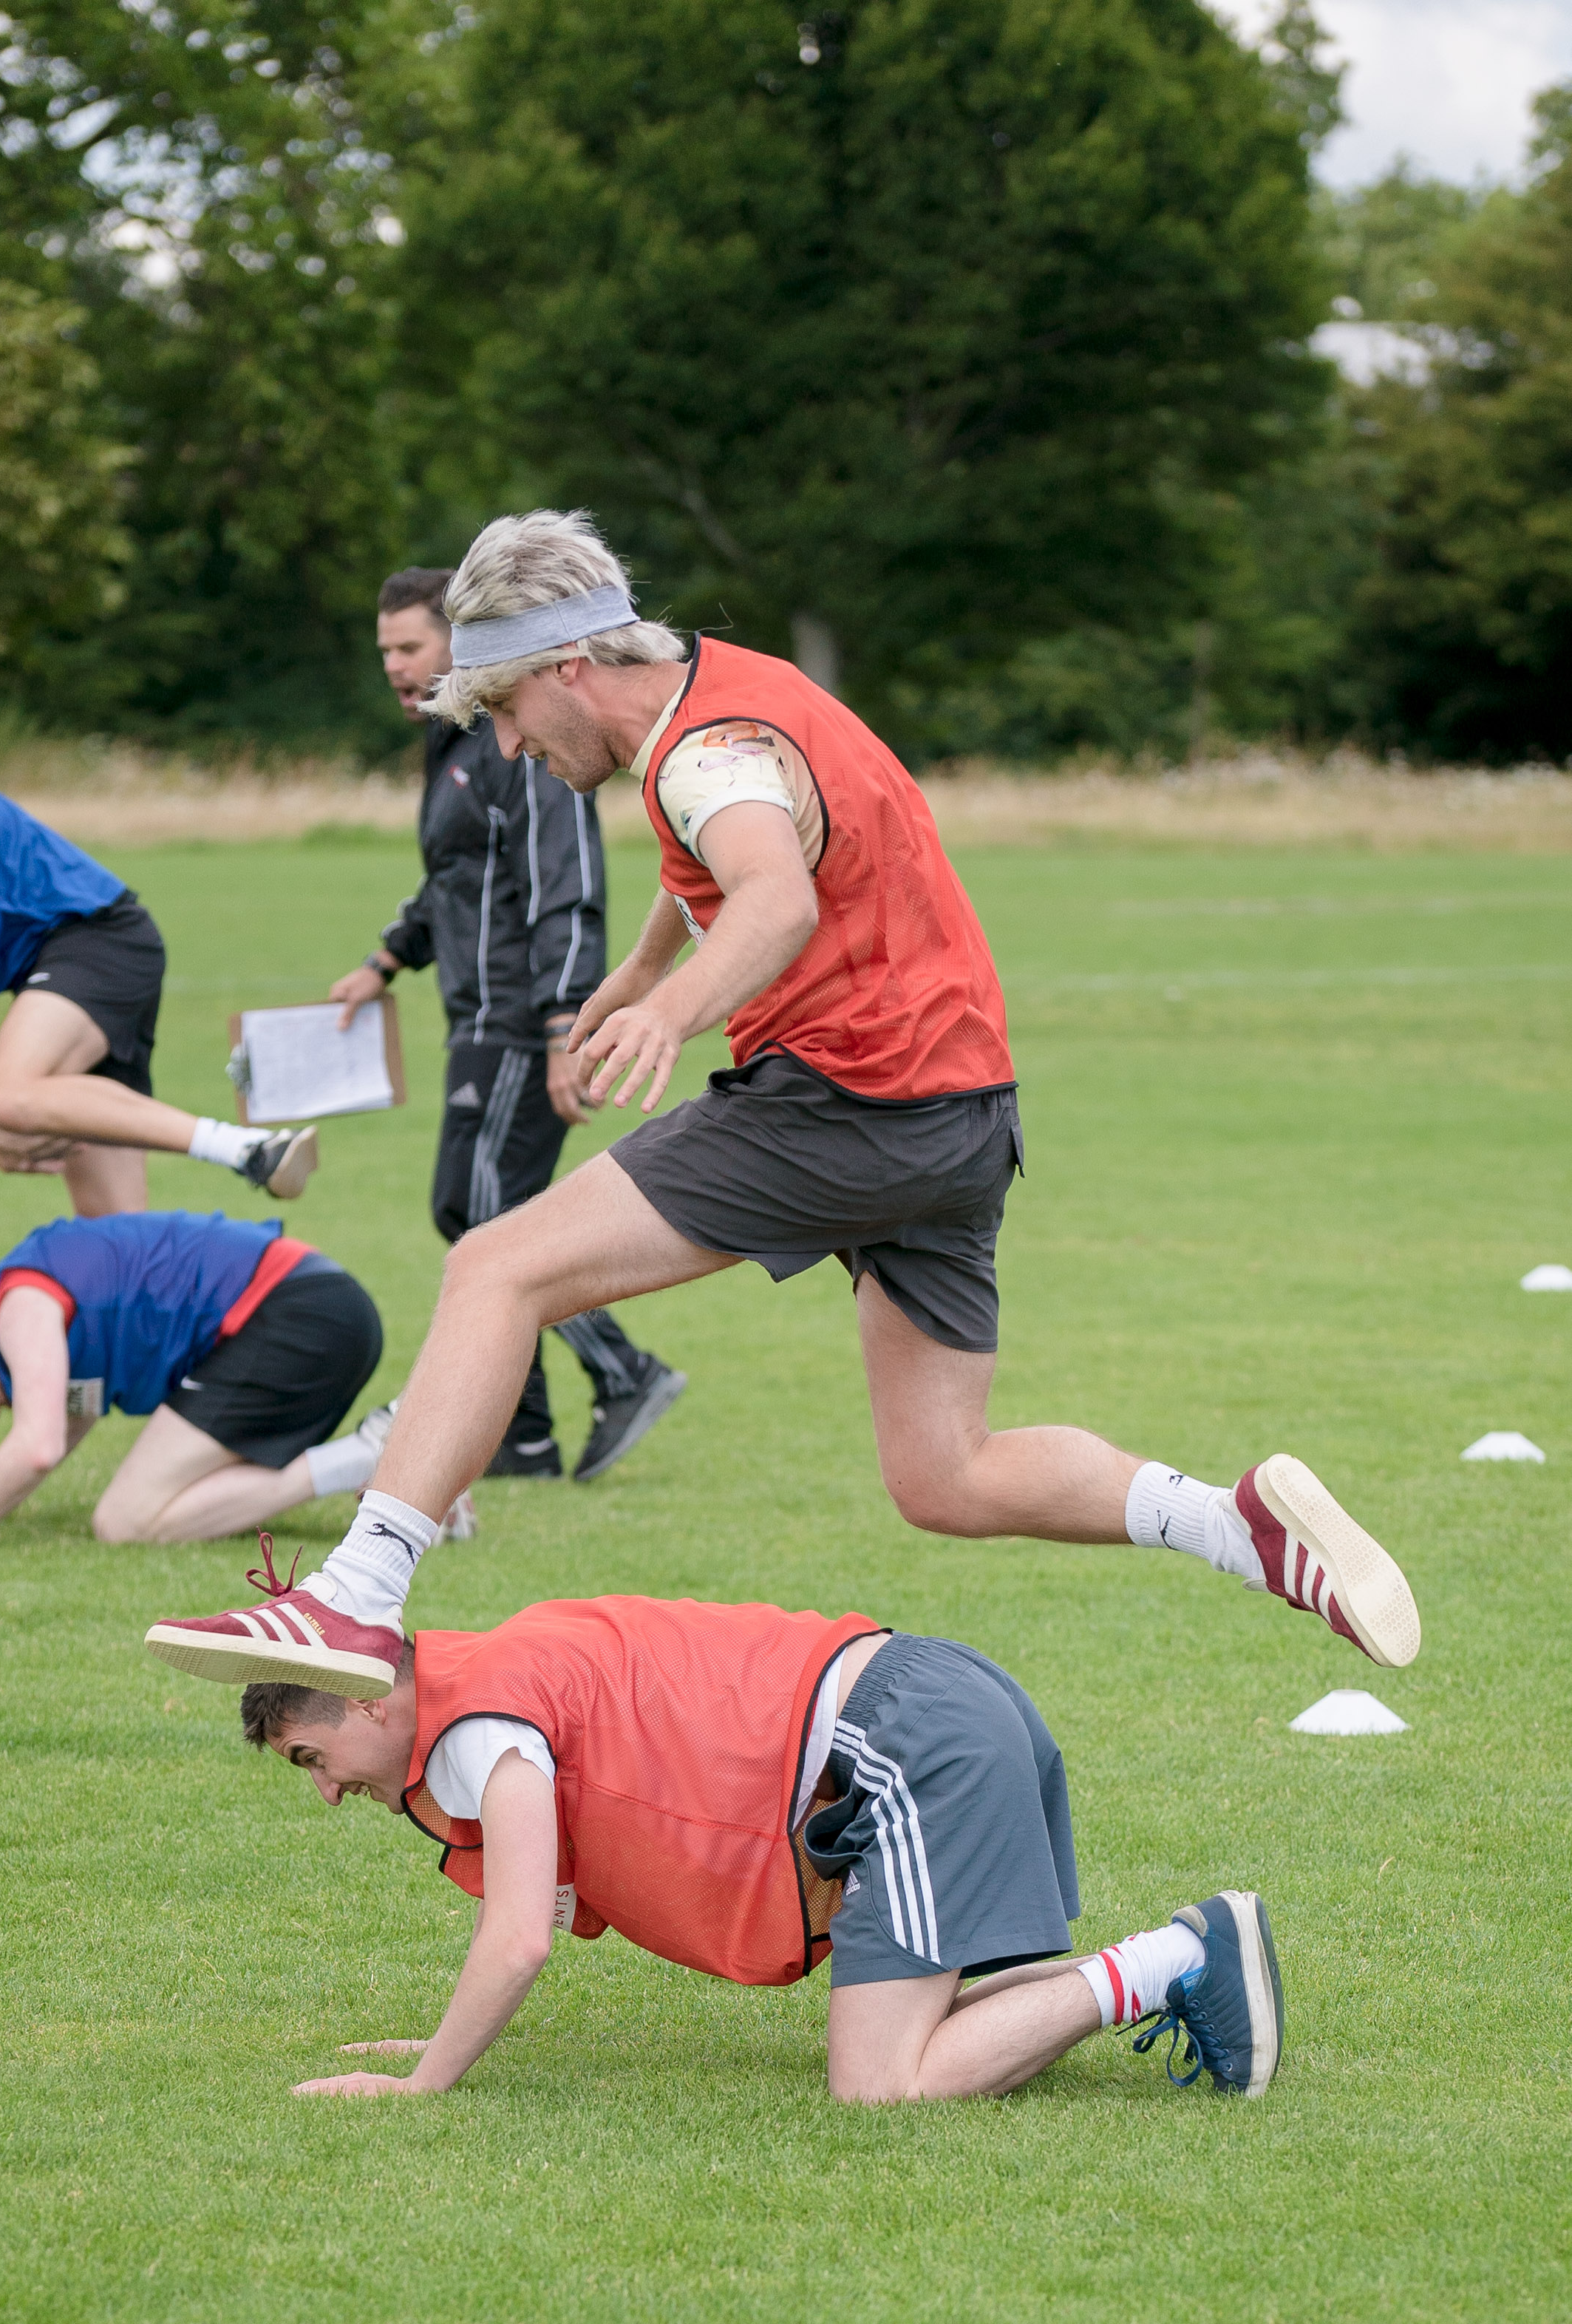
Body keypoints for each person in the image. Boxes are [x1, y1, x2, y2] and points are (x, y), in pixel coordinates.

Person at [143, 509, 1421, 1700]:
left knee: (494, 1266)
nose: (512, 748)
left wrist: (667, 1011)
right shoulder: (719, 692)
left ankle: (357, 1598)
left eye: (508, 710)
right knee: (943, 1472)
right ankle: (1232, 1522)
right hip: (959, 1112)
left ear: (571, 663)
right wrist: (639, 965)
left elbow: (769, 893)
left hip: (845, 1098)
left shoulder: (706, 756)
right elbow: (729, 848)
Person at [229, 1591, 1285, 2105]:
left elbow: (518, 1939)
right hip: (922, 1703)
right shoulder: (497, 1662)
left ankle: (1180, 1958)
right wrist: (449, 2045)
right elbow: (542, 1897)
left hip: (903, 1745)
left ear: (368, 1705)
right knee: (916, 2025)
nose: (327, 1791)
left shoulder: (476, 1728)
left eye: (312, 1757)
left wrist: (422, 2093)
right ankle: (1176, 1962)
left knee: (879, 2086)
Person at [325, 568, 684, 1484]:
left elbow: (567, 885)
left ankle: (623, 1370)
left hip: (522, 1019)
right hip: (474, 1019)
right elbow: (453, 877)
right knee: (482, 1210)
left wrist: (568, 1019)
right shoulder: (450, 749)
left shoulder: (523, 747)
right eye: (385, 654)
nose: (396, 668)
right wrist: (384, 961)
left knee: (483, 1213)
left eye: (409, 647)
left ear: (461, 642)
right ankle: (522, 1441)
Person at [0, 766, 316, 1216]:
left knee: (4, 1094)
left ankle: (248, 1149)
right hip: (55, 963)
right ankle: (245, 1156)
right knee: (114, 1232)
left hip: (97, 939)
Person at [0, 1209, 460, 1549]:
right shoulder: (18, 1292)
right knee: (159, 1502)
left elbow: (38, 1444)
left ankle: (369, 1457)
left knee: (125, 1521)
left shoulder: (20, 1307)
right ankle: (424, 1496)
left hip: (295, 1318)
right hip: (315, 1311)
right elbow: (71, 1414)